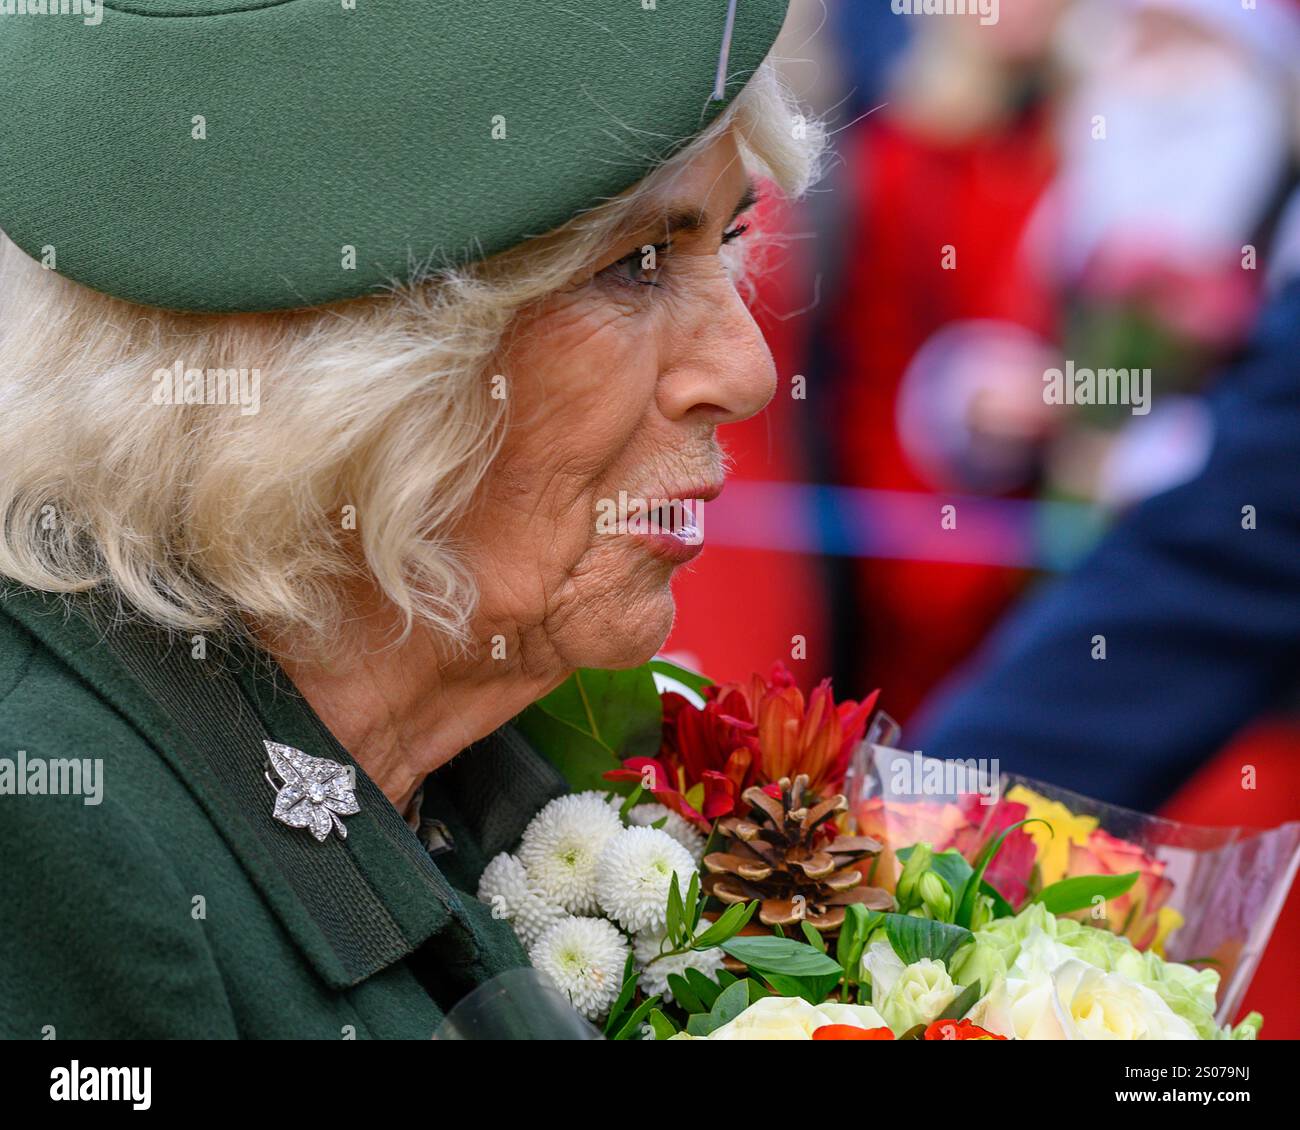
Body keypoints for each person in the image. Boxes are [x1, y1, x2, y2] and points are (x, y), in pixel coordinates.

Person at [0, 1, 819, 1037]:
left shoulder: (511, 745)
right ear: (336, 384)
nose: (747, 370)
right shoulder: (58, 840)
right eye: (637, 262)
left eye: (729, 232)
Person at [913, 275, 1300, 812]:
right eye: (987, 425)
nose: (1012, 414)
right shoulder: (1071, 510)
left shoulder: (1099, 307)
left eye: (996, 398)